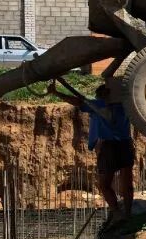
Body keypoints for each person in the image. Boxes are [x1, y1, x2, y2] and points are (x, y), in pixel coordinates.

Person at [49, 79, 135, 224]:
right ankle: (127, 213)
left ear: (103, 95)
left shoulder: (99, 105)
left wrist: (56, 92)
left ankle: (116, 212)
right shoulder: (126, 105)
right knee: (126, 183)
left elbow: (77, 101)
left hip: (108, 147)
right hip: (125, 144)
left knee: (104, 184)